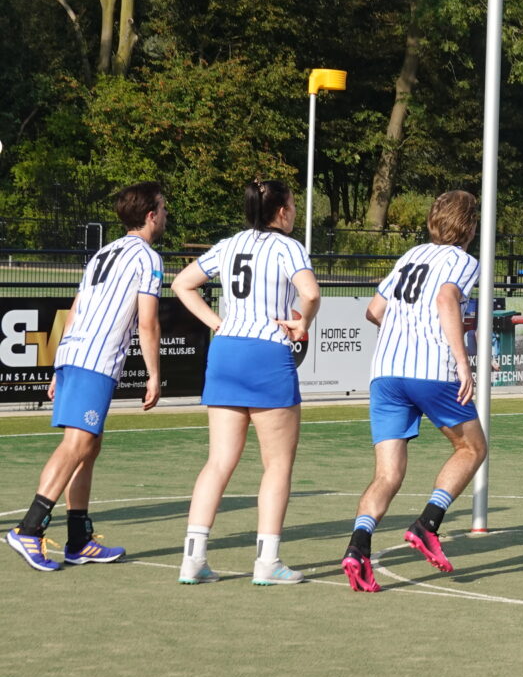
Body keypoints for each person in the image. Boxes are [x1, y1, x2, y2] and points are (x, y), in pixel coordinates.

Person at [7, 183, 167, 572]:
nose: (166, 215)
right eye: (163, 208)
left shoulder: (103, 252)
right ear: (150, 215)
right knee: (77, 443)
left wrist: (60, 360)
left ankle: (79, 539)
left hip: (76, 354)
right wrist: (154, 375)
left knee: (88, 445)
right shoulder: (148, 259)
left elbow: (76, 307)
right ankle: (29, 529)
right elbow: (147, 322)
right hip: (95, 359)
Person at [171, 179, 321, 586]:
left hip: (226, 351)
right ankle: (267, 561)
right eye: (292, 205)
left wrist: (217, 322)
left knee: (218, 462)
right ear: (283, 211)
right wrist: (302, 322)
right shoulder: (289, 247)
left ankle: (193, 558)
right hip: (266, 352)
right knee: (277, 464)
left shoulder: (229, 243)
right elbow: (310, 292)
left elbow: (181, 284)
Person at [340, 190, 488, 591]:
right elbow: (445, 299)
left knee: (387, 474)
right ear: (470, 226)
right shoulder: (462, 260)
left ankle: (357, 547)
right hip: (430, 372)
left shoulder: (409, 257)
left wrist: (404, 331)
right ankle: (428, 524)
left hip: (386, 373)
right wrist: (462, 360)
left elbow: (374, 311)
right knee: (472, 448)